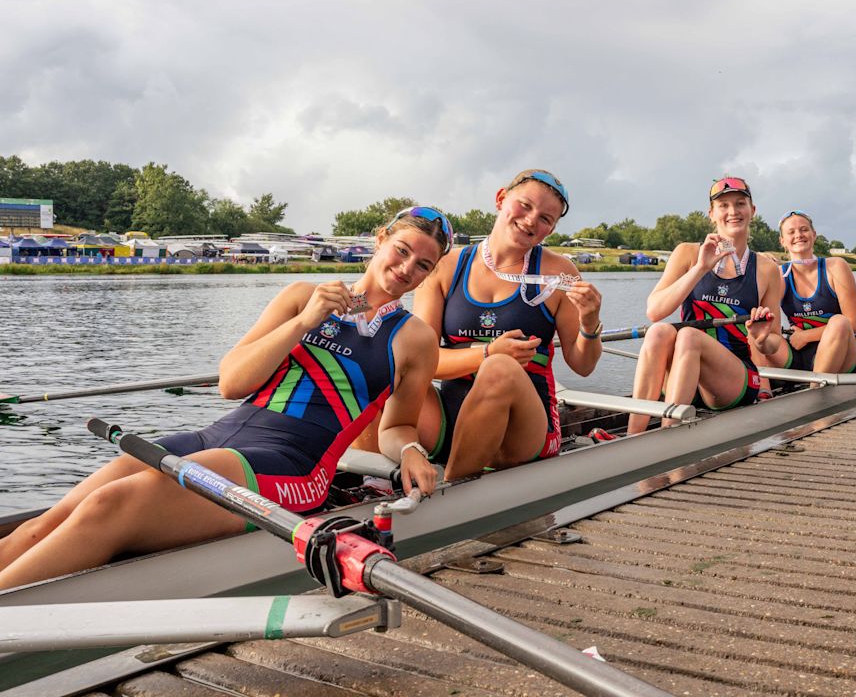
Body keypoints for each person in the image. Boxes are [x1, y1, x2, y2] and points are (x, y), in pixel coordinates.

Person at [0, 207, 453, 590]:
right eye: (403, 251)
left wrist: (411, 450)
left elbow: (395, 427)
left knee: (106, 507)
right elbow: (232, 384)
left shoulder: (413, 339)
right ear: (380, 240)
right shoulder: (302, 296)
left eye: (423, 266)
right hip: (216, 435)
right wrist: (306, 320)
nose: (406, 269)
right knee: (47, 522)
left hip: (291, 465)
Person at [407, 169, 603, 480]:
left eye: (545, 219)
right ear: (501, 199)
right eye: (525, 206)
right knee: (383, 366)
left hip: (523, 430)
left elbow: (582, 365)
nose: (530, 221)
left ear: (550, 229)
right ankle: (371, 478)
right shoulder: (446, 267)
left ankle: (451, 488)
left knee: (500, 368)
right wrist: (487, 352)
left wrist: (590, 322)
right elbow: (419, 361)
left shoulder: (558, 272)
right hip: (450, 421)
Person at [627, 176, 783, 434]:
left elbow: (774, 342)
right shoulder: (687, 253)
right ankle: (634, 437)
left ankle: (668, 437)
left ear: (752, 211)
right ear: (712, 214)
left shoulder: (766, 269)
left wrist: (761, 340)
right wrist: (700, 268)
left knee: (688, 336)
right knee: (659, 331)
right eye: (723, 206)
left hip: (734, 380)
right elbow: (655, 311)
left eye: (740, 203)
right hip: (684, 373)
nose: (733, 211)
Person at [762, 211, 856, 377]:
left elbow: (854, 323)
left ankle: (815, 389)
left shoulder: (836, 267)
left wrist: (805, 336)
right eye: (791, 232)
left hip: (838, 353)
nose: (799, 235)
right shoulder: (779, 275)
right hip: (796, 352)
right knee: (758, 330)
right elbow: (765, 321)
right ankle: (764, 390)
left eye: (804, 230)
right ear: (783, 241)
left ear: (814, 235)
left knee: (840, 322)